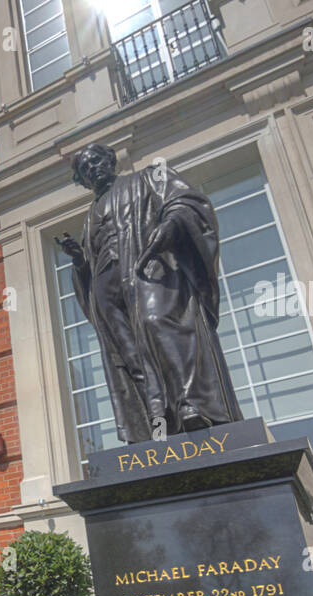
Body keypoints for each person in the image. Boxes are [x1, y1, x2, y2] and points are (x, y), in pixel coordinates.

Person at [56, 143, 243, 443]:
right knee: (129, 356)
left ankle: (190, 405)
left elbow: (187, 202)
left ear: (110, 160)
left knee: (159, 324)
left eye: (95, 162)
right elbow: (88, 267)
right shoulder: (90, 215)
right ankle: (158, 424)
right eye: (84, 170)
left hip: (146, 271)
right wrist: (79, 260)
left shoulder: (147, 178)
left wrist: (170, 225)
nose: (92, 170)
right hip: (106, 288)